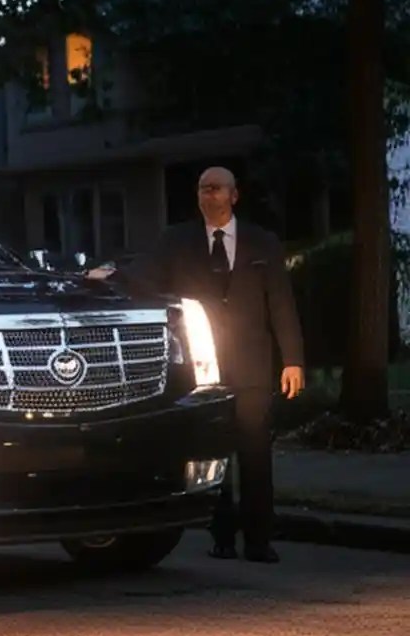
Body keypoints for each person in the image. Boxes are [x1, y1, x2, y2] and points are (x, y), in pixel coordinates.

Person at [86, 166, 304, 563]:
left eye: (217, 189)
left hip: (252, 363)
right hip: (205, 363)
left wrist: (293, 360)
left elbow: (281, 303)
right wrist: (109, 276)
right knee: (213, 449)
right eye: (204, 189)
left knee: (255, 452)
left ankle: (258, 539)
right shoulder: (178, 241)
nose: (210, 196)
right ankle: (221, 535)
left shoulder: (262, 243)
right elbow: (145, 275)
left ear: (234, 196)